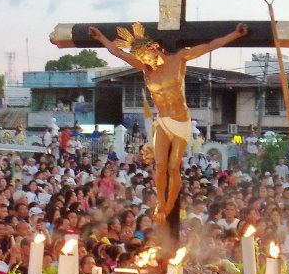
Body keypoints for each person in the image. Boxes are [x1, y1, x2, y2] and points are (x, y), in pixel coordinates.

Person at [88, 22, 247, 224]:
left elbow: (209, 46)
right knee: (160, 165)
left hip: (180, 120)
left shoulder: (178, 59)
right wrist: (101, 38)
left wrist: (234, 34)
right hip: (162, 120)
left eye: (146, 56)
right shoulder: (146, 69)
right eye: (141, 58)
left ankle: (170, 204)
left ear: (154, 48)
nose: (145, 61)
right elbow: (119, 53)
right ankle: (161, 205)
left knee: (173, 167)